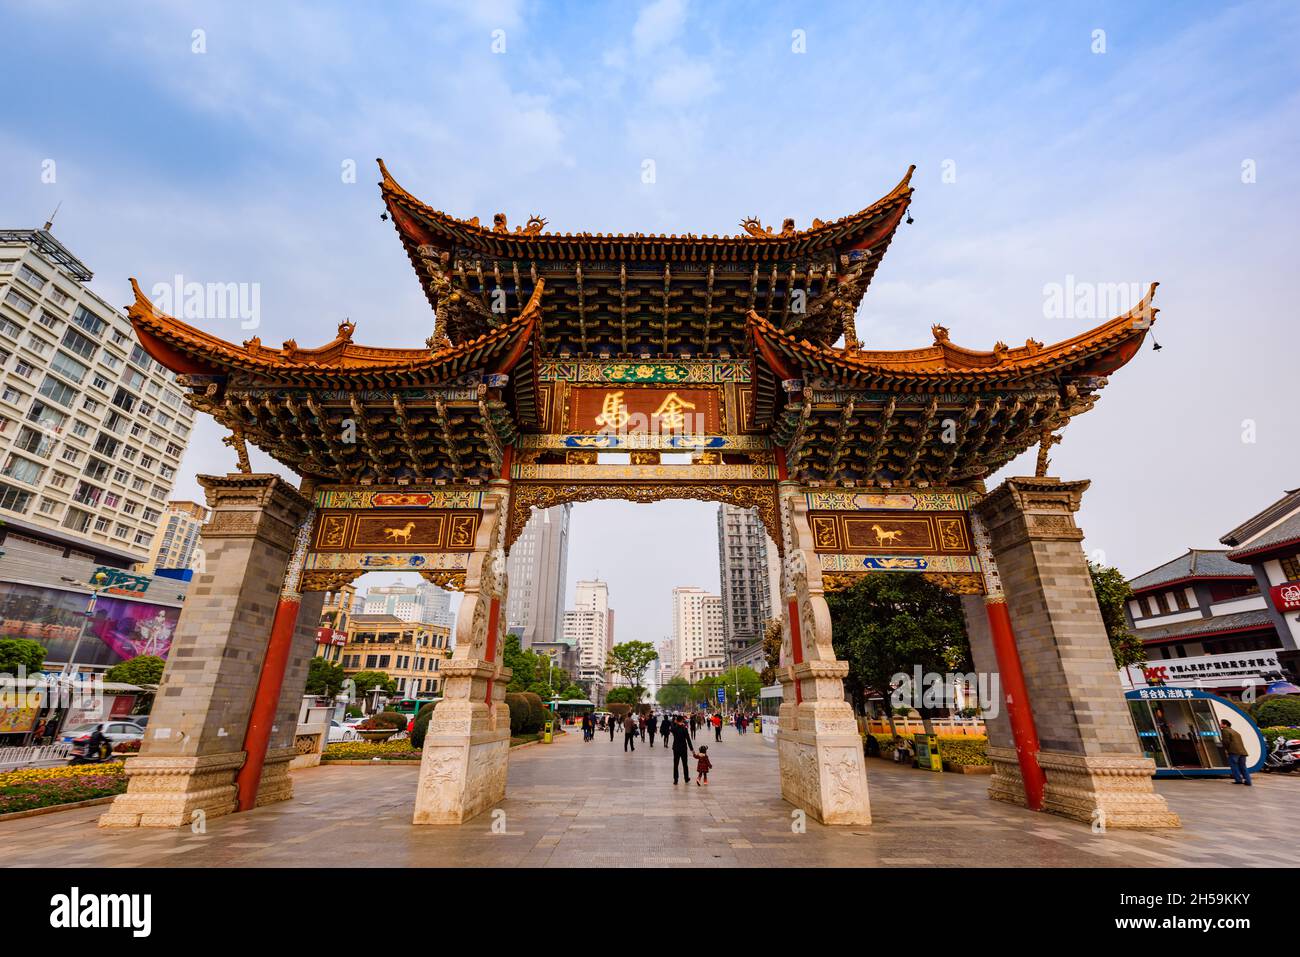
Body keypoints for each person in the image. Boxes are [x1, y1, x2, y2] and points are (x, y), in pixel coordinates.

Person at [1220, 719, 1252, 786]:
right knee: (1243, 767)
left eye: (1221, 723)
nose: (1220, 724)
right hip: (1242, 752)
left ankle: (1238, 780)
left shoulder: (1225, 730)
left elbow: (1226, 742)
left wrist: (1225, 749)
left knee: (1234, 766)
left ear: (1225, 724)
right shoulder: (1235, 732)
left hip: (1233, 751)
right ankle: (1248, 781)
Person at [669, 715, 694, 785]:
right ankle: (686, 778)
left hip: (676, 748)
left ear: (676, 721)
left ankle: (676, 779)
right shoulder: (684, 729)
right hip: (683, 748)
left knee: (676, 764)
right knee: (685, 764)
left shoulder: (674, 728)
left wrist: (674, 722)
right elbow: (688, 740)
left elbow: (670, 728)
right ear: (682, 720)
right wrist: (692, 749)